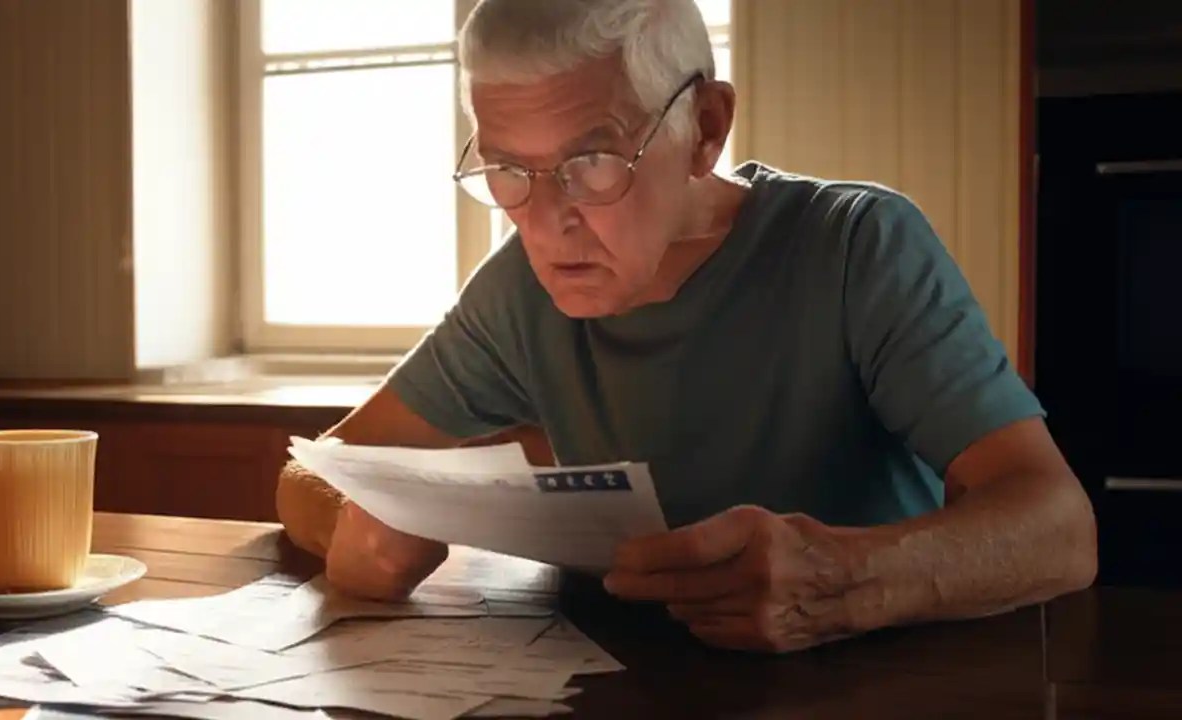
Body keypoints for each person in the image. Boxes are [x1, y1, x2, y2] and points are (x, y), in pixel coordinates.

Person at [276, 0, 1097, 653]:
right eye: (507, 171)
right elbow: (315, 472)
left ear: (704, 127)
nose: (545, 224)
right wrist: (359, 528)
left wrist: (844, 579)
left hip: (872, 685)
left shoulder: (855, 245)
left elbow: (1059, 529)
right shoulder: (518, 291)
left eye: (590, 162)